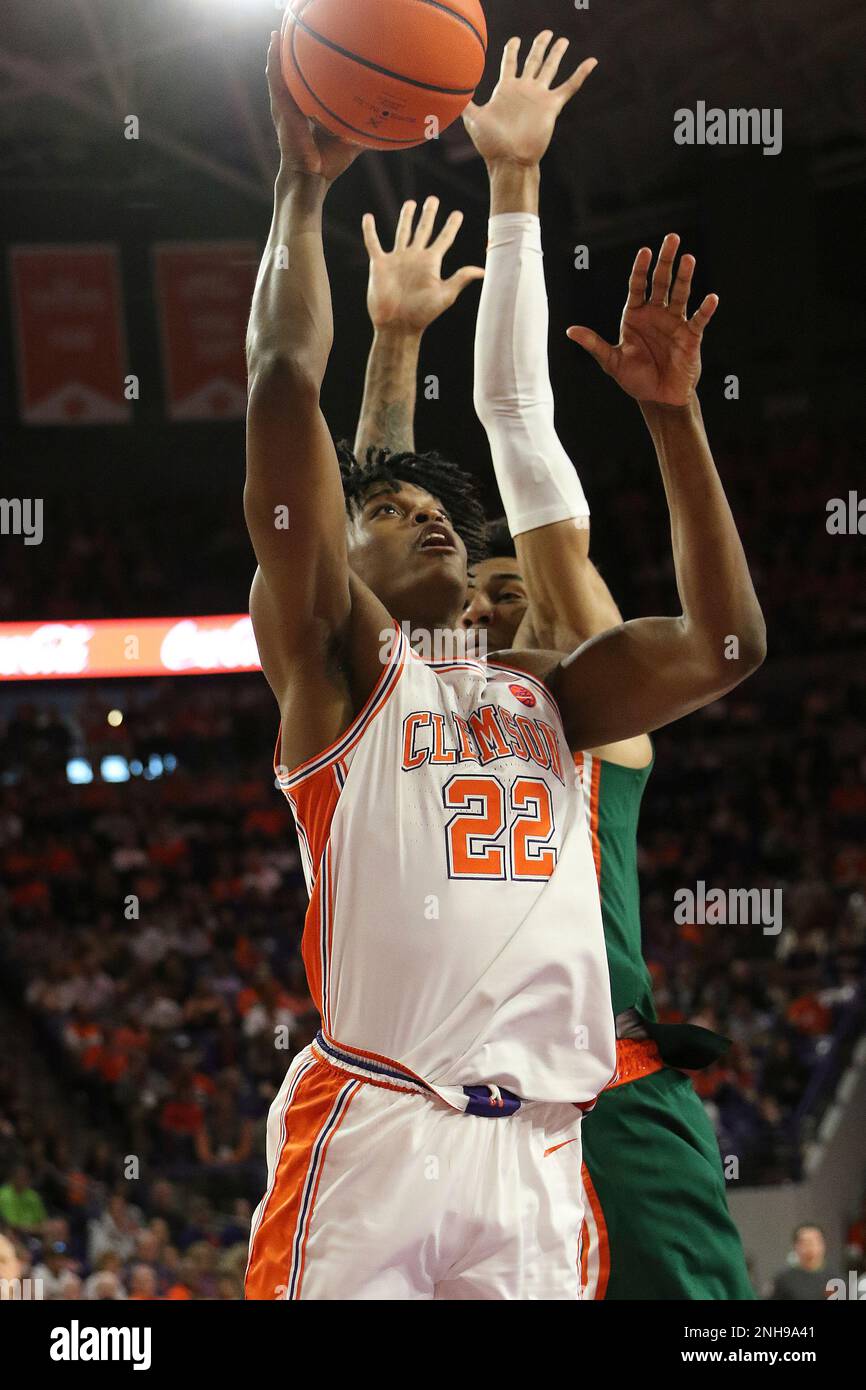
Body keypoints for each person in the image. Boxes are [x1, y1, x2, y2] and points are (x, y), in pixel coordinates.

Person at [243, 30, 764, 1301]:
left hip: (541, 1151)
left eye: (446, 517)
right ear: (346, 565)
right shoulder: (339, 666)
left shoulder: (550, 690)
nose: (432, 519)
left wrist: (674, 419)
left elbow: (725, 645)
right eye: (396, 515)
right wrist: (300, 189)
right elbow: (280, 381)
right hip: (380, 1127)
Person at [769, 1224, 830, 1300]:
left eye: (814, 1242)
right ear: (795, 1246)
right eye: (805, 1243)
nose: (810, 1247)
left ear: (823, 1245)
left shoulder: (837, 1279)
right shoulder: (784, 1280)